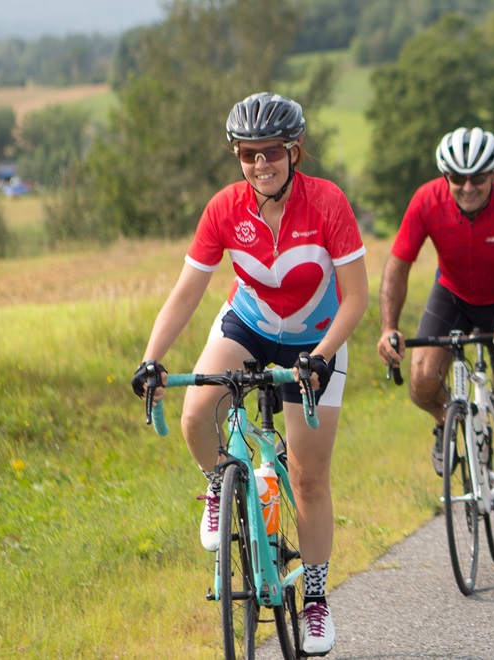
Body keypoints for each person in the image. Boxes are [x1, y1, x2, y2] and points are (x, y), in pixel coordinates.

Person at [130, 92, 363, 656]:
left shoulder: (327, 203)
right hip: (250, 324)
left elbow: (355, 298)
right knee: (195, 413)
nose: (261, 164)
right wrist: (151, 357)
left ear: (294, 152)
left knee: (308, 477)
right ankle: (221, 483)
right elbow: (188, 291)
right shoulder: (225, 208)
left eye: (272, 153)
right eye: (248, 154)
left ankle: (314, 598)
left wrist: (324, 355)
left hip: (319, 337)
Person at [376, 127, 494, 556]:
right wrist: (388, 327)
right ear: (446, 176)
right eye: (458, 178)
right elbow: (398, 265)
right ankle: (446, 421)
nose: (469, 187)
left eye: (478, 177)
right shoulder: (426, 201)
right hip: (453, 295)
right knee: (421, 381)